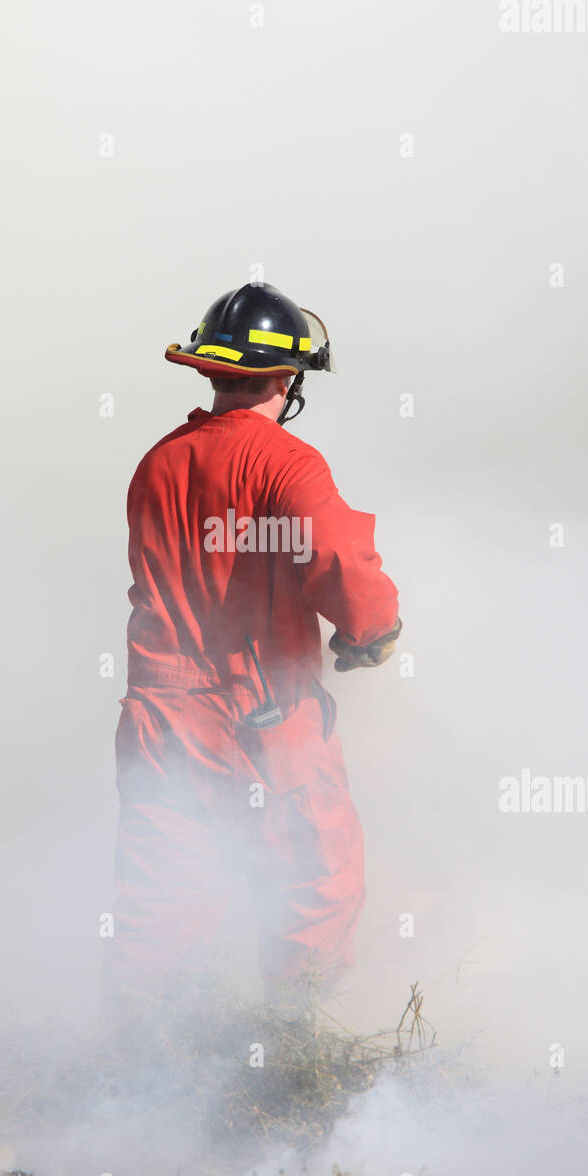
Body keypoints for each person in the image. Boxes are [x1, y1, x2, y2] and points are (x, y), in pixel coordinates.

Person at [111, 281, 401, 1007]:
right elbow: (337, 559)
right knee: (316, 883)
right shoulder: (287, 463)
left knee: (162, 905)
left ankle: (129, 1075)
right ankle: (292, 1056)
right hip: (261, 716)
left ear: (210, 370)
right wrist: (372, 631)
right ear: (287, 379)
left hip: (159, 719)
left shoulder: (157, 463)